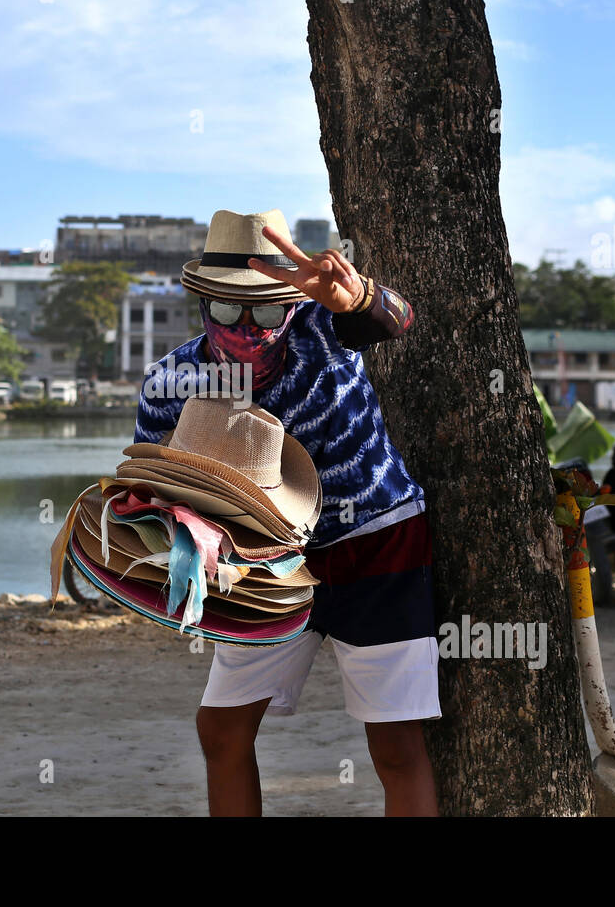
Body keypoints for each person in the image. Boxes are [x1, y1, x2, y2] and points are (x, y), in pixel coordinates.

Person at [135, 209, 436, 816]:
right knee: (220, 731)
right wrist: (189, 547)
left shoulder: (327, 328)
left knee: (398, 744)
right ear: (201, 303)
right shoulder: (171, 381)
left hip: (376, 545)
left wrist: (359, 297)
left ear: (291, 305)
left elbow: (398, 321)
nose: (247, 326)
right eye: (226, 309)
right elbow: (156, 486)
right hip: (262, 567)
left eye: (267, 310)